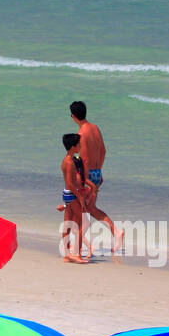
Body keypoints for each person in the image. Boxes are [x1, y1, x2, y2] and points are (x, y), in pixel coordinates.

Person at [68, 100, 121, 253]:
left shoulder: (81, 134)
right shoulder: (95, 128)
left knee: (83, 209)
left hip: (88, 175)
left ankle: (114, 232)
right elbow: (103, 151)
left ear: (73, 116)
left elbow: (83, 159)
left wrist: (85, 180)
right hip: (97, 172)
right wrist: (99, 171)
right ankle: (79, 244)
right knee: (89, 209)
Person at [58, 133, 90, 264]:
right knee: (85, 223)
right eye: (78, 145)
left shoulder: (66, 160)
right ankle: (76, 253)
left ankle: (67, 255)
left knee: (68, 225)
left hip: (67, 194)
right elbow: (71, 184)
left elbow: (69, 183)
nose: (80, 146)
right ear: (72, 147)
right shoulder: (69, 162)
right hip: (71, 194)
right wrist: (80, 197)